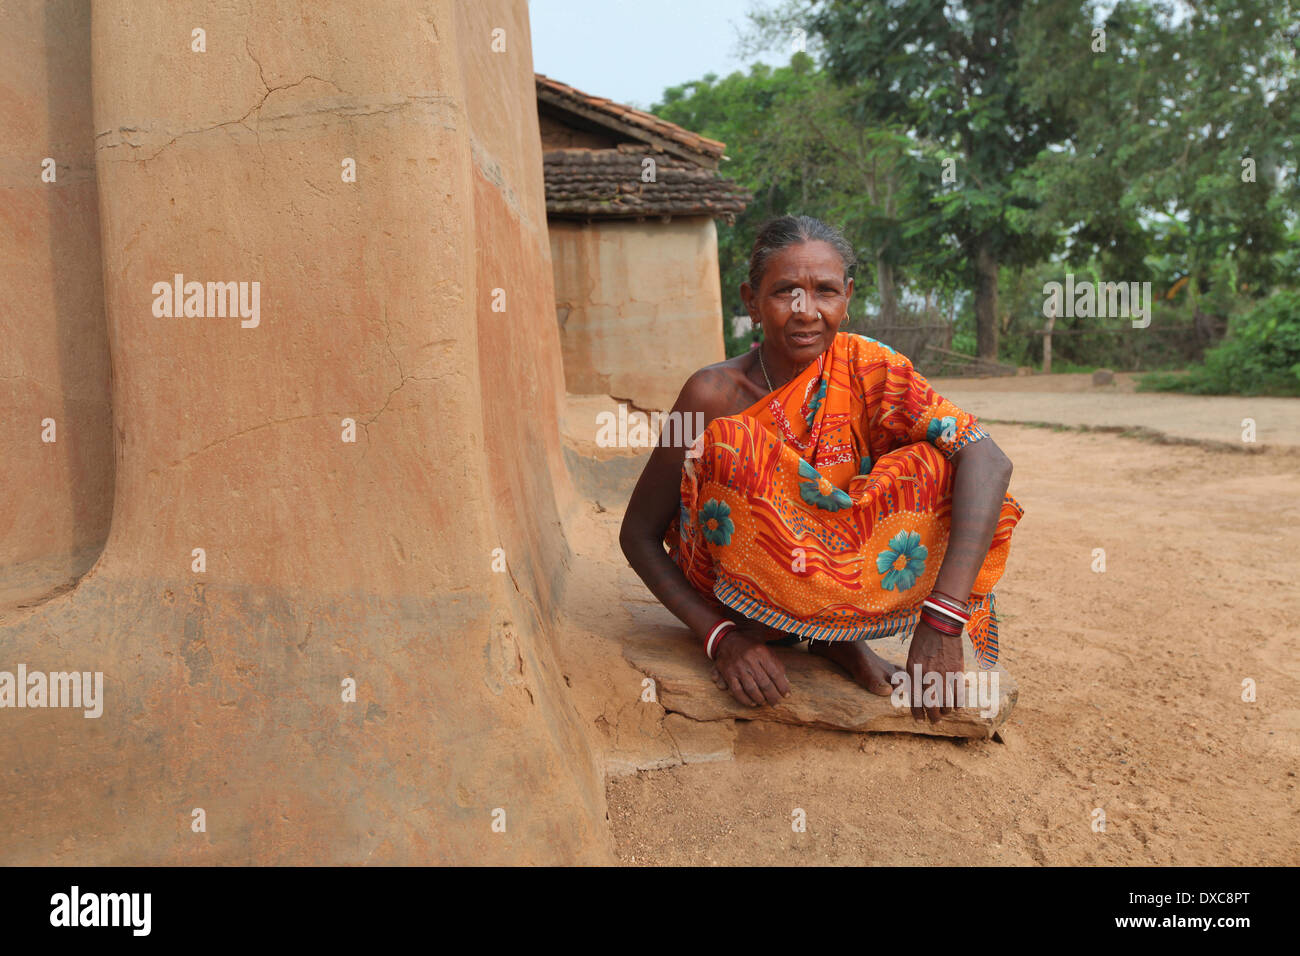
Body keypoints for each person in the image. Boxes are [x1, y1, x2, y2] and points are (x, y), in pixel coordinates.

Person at [619, 215, 1025, 724]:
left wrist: (943, 622)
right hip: (734, 604)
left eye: (826, 291)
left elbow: (989, 459)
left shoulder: (867, 369)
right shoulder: (712, 395)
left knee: (937, 460)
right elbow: (637, 535)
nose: (805, 312)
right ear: (751, 301)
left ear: (848, 296)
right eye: (784, 291)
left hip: (838, 588)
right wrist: (717, 637)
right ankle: (766, 632)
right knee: (736, 445)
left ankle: (835, 638)